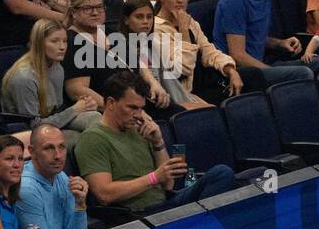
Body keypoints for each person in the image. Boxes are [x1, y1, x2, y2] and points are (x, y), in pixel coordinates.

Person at [75, 70, 236, 212]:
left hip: (165, 203)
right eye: (132, 107)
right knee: (221, 174)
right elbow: (104, 194)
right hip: (138, 214)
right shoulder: (93, 138)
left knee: (222, 175)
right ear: (111, 103)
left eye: (141, 108)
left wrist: (158, 143)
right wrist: (153, 178)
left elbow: (168, 184)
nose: (139, 114)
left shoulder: (140, 129)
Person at [0, 17, 101, 139]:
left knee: (95, 118)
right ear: (39, 43)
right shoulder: (24, 78)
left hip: (52, 121)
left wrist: (85, 106)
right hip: (31, 133)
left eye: (65, 41)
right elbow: (33, 125)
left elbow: (57, 110)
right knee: (76, 138)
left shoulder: (57, 67)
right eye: (55, 41)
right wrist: (75, 109)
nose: (62, 47)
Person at [153, 0, 239, 107]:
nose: (180, 0)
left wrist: (231, 69)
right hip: (187, 93)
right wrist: (183, 30)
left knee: (253, 77)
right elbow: (182, 69)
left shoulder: (190, 21)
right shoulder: (155, 29)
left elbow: (209, 51)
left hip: (206, 80)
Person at [15, 122, 90, 229]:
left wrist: (80, 205)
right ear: (32, 152)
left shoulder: (60, 176)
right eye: (49, 148)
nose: (58, 156)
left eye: (61, 147)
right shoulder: (26, 189)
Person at [116, 0, 173, 114]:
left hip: (161, 100)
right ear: (126, 20)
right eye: (139, 17)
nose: (146, 21)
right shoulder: (120, 45)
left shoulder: (153, 44)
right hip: (139, 106)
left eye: (149, 17)